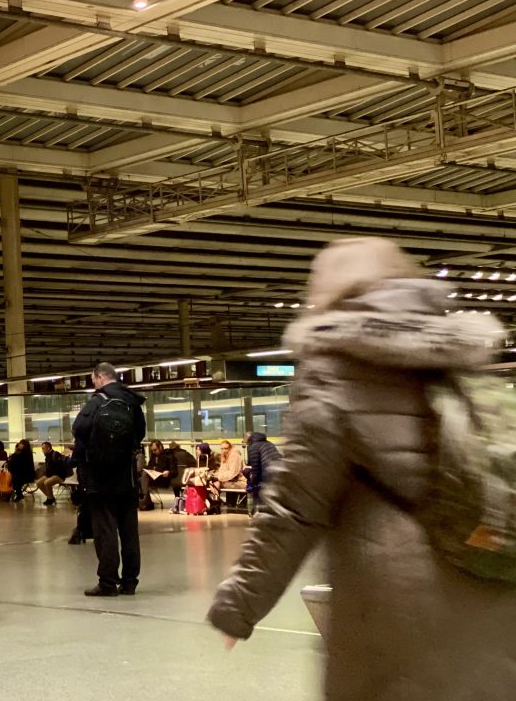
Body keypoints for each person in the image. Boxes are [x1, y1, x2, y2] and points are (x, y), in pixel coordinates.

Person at [208, 237, 516, 701]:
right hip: (488, 577)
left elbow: (293, 509)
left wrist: (238, 605)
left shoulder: (333, 371)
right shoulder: (464, 360)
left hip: (394, 603)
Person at [72, 362, 145, 596]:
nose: (94, 384)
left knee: (106, 530)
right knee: (129, 530)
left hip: (101, 477)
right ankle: (130, 581)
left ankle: (107, 582)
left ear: (100, 377)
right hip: (128, 476)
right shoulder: (132, 403)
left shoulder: (97, 401)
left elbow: (78, 428)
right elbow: (140, 433)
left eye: (94, 380)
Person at [246, 431, 281, 513]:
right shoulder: (269, 443)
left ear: (249, 440)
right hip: (278, 469)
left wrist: (253, 481)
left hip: (268, 471)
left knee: (256, 488)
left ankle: (256, 511)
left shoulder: (253, 447)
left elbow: (255, 467)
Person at [138, 440, 173, 511]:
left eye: (155, 450)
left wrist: (168, 472)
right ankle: (146, 502)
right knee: (140, 477)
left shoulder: (169, 456)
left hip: (163, 479)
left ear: (160, 447)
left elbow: (175, 471)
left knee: (143, 478)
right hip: (152, 478)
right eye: (152, 450)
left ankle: (145, 502)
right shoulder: (153, 456)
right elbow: (150, 467)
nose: (153, 452)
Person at [34, 441, 70, 505]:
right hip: (50, 475)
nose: (42, 451)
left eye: (43, 449)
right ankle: (50, 497)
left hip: (59, 476)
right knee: (38, 483)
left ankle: (50, 499)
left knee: (46, 482)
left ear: (48, 448)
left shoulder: (55, 454)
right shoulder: (47, 456)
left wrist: (49, 474)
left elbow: (59, 468)